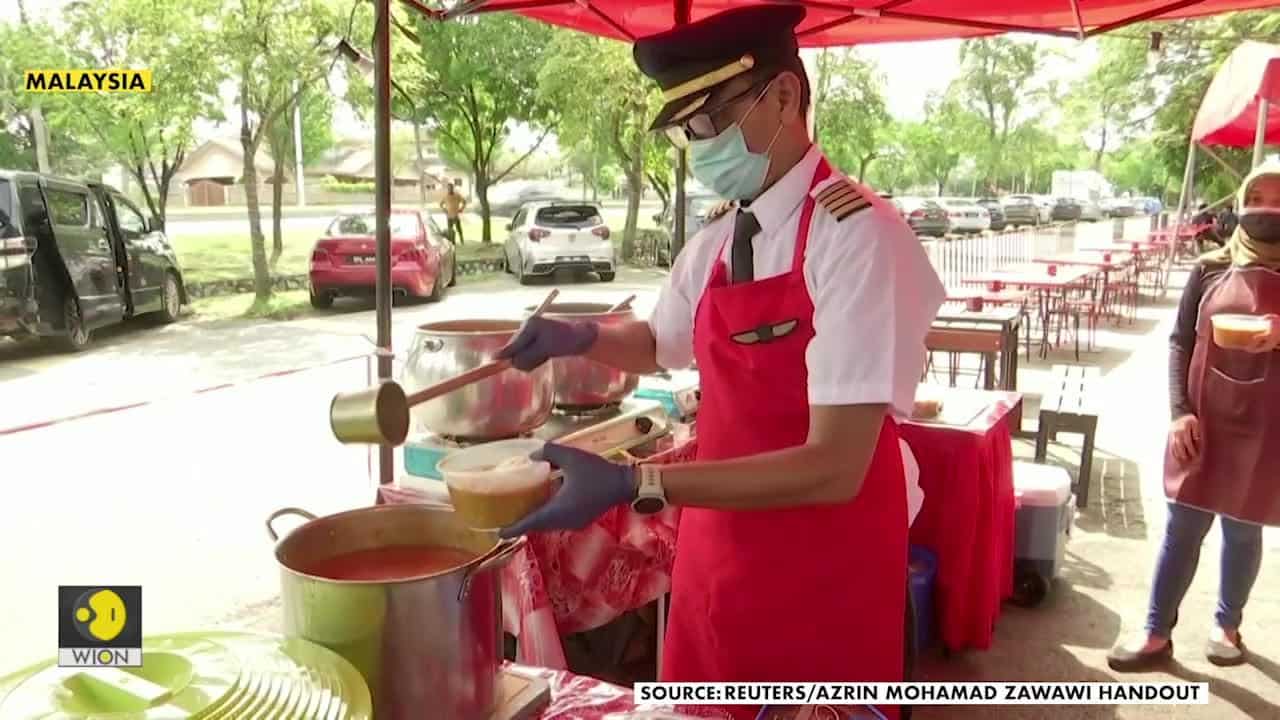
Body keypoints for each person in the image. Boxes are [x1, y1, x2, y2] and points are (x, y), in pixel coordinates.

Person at [494, 7, 944, 719]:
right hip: (719, 547)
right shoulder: (717, 239)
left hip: (824, 563)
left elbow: (835, 465)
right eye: (684, 132)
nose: (695, 148)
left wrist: (633, 481)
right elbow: (659, 344)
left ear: (785, 98)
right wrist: (578, 334)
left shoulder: (856, 237)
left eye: (706, 123)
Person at [1107, 161, 1280, 672]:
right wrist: (1179, 413)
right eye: (1259, 198)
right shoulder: (1208, 268)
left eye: (1279, 200)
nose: (1268, 210)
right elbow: (1181, 340)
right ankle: (1156, 634)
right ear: (1241, 204)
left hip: (1268, 425)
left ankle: (1228, 626)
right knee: (1183, 526)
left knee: (1244, 530)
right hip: (1203, 422)